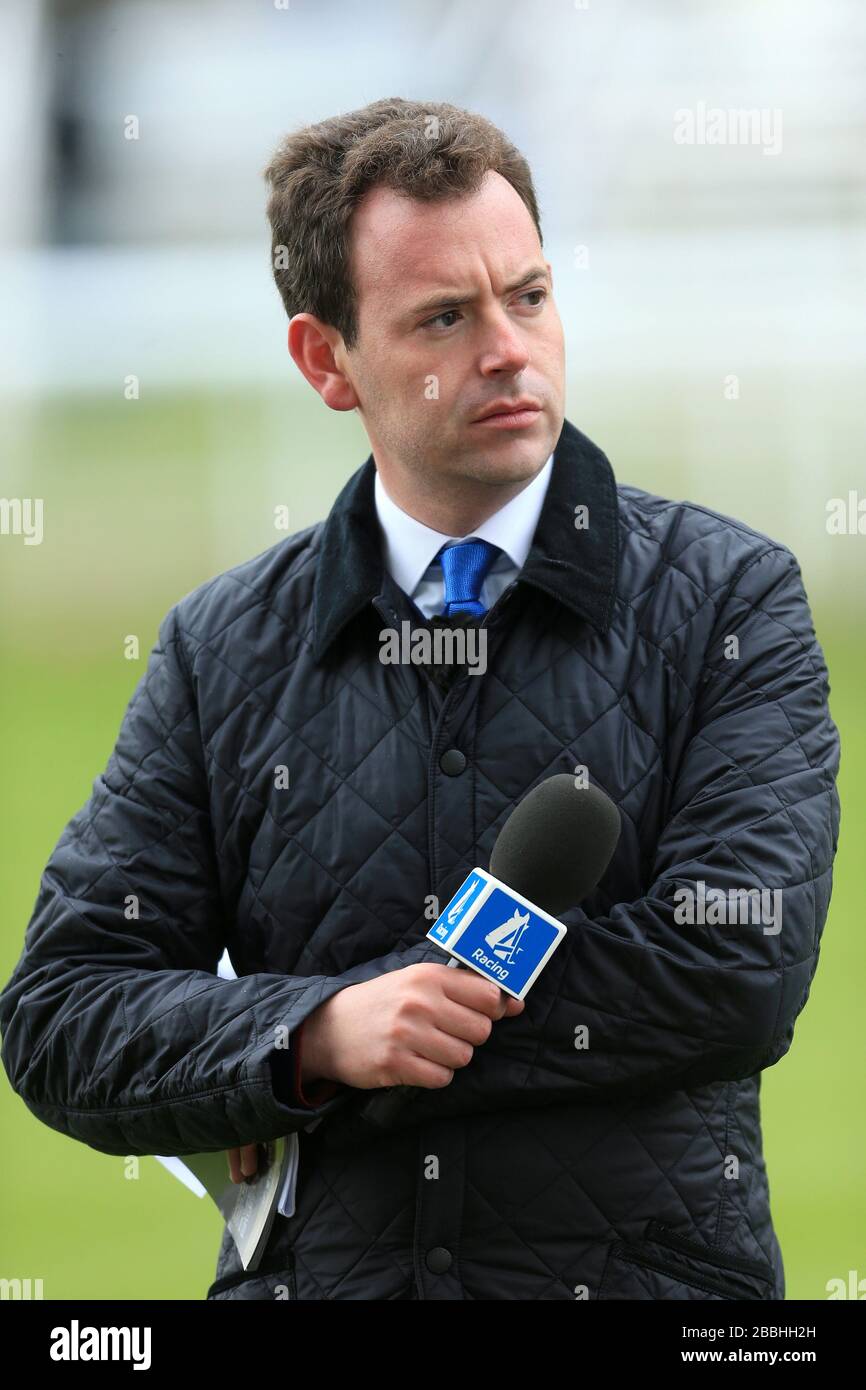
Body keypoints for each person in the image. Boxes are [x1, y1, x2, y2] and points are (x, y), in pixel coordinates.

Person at [0, 98, 840, 1301]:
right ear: (324, 360)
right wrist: (310, 1035)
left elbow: (736, 964)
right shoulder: (219, 646)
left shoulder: (724, 600)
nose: (507, 348)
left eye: (530, 296)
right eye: (444, 315)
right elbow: (62, 1015)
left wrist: (361, 1050)